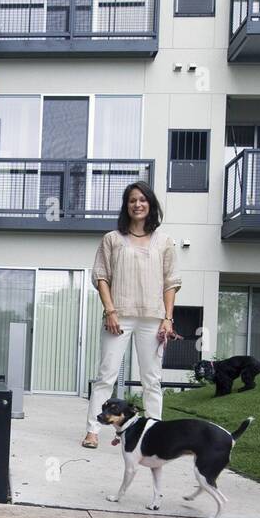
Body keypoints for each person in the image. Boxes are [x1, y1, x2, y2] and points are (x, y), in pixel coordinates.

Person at [82, 181, 181, 448]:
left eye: (143, 200)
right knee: (106, 375)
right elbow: (102, 277)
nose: (138, 204)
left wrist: (168, 319)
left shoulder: (165, 241)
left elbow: (170, 282)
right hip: (119, 317)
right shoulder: (112, 240)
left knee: (152, 380)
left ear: (150, 205)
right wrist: (110, 311)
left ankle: (155, 435)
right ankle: (93, 430)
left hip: (153, 317)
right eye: (132, 200)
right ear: (126, 207)